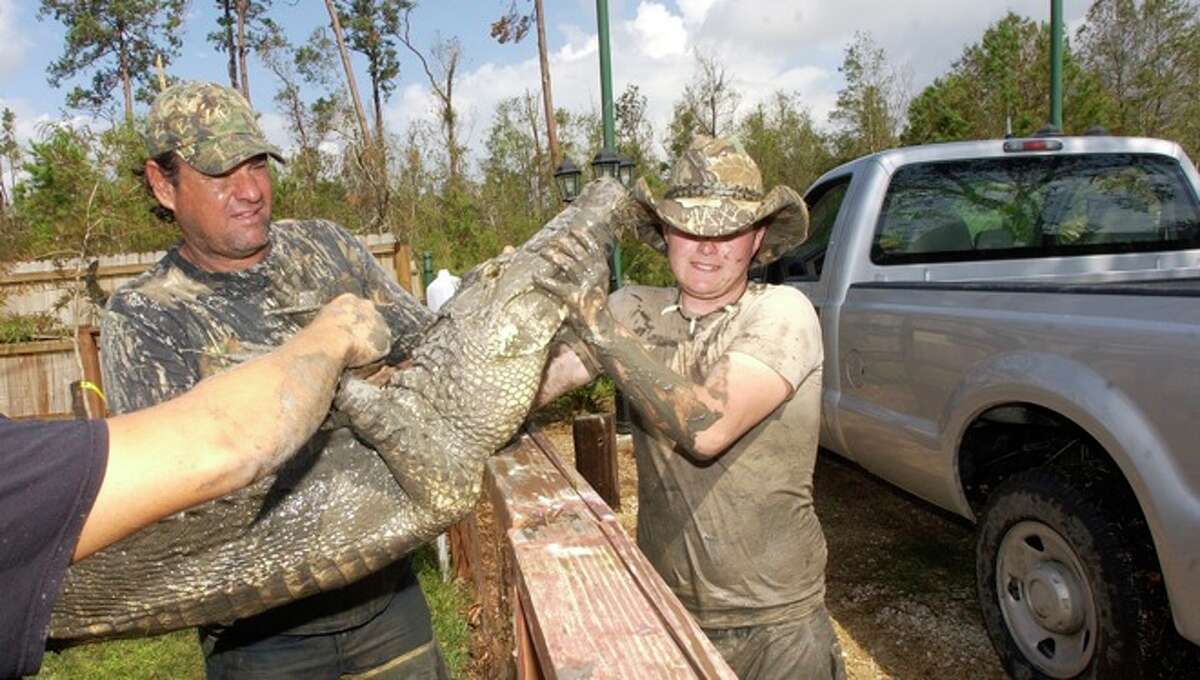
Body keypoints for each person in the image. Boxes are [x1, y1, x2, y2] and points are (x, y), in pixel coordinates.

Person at [99, 81, 446, 679]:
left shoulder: (327, 248)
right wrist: (365, 394)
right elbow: (178, 498)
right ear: (163, 184)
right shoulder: (147, 317)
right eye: (220, 173)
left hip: (389, 601)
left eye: (257, 164)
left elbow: (435, 356)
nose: (251, 191)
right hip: (259, 640)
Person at [536, 136, 845, 679]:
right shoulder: (632, 308)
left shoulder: (783, 312)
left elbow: (706, 428)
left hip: (776, 626)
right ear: (665, 233)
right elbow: (543, 382)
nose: (707, 247)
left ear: (757, 238)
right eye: (689, 228)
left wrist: (600, 328)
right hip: (667, 609)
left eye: (727, 231)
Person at [1, 294, 390, 680]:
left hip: (378, 596)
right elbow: (222, 443)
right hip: (255, 621)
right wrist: (336, 330)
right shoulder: (144, 310)